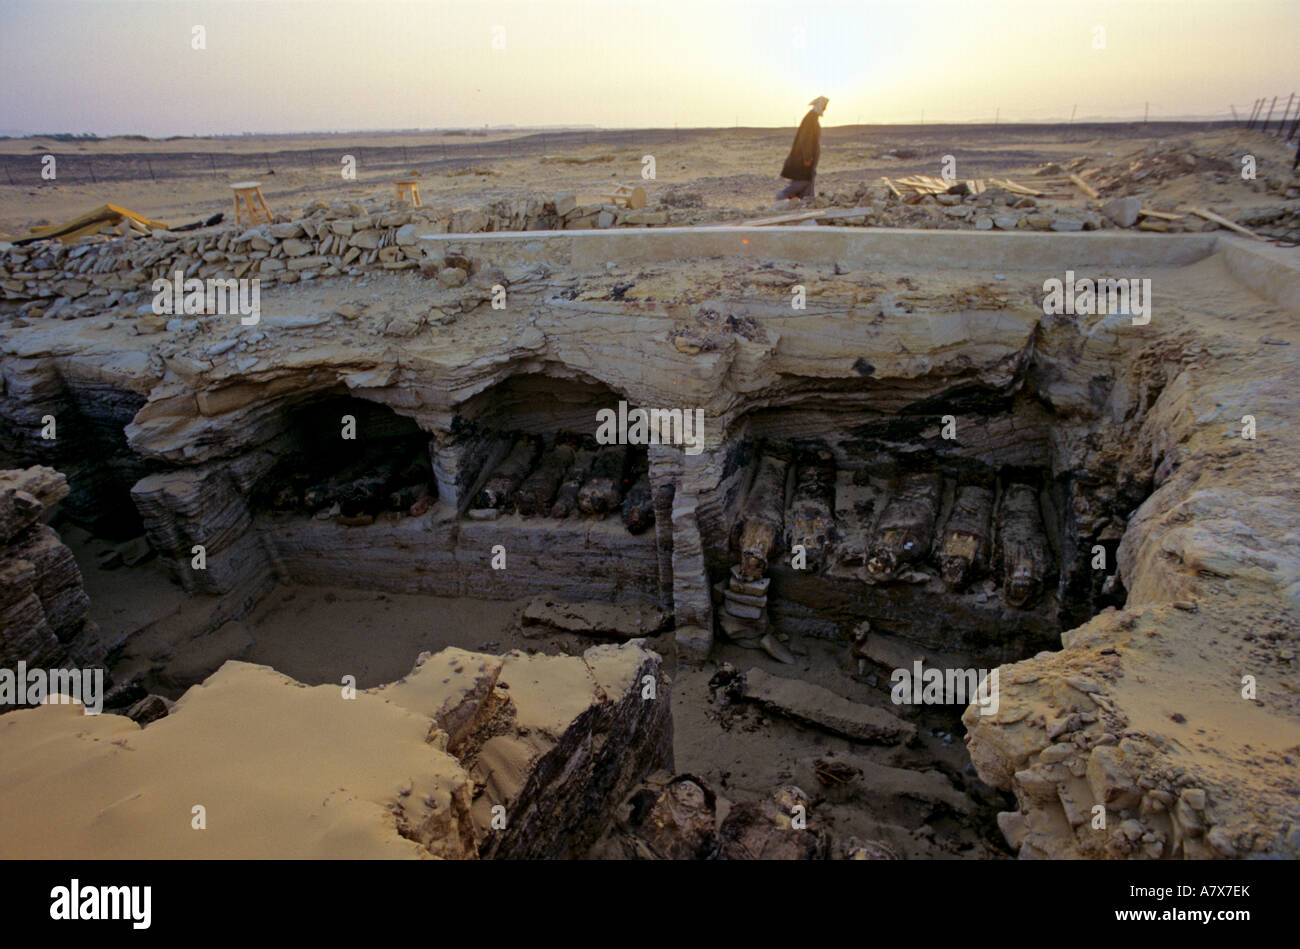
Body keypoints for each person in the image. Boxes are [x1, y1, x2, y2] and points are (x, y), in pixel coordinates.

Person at [777, 96, 828, 202]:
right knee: (803, 181)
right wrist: (807, 157)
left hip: (807, 159)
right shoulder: (810, 119)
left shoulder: (813, 118)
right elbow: (806, 139)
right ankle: (782, 195)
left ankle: (806, 203)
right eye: (824, 107)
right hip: (803, 160)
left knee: (808, 181)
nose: (825, 109)